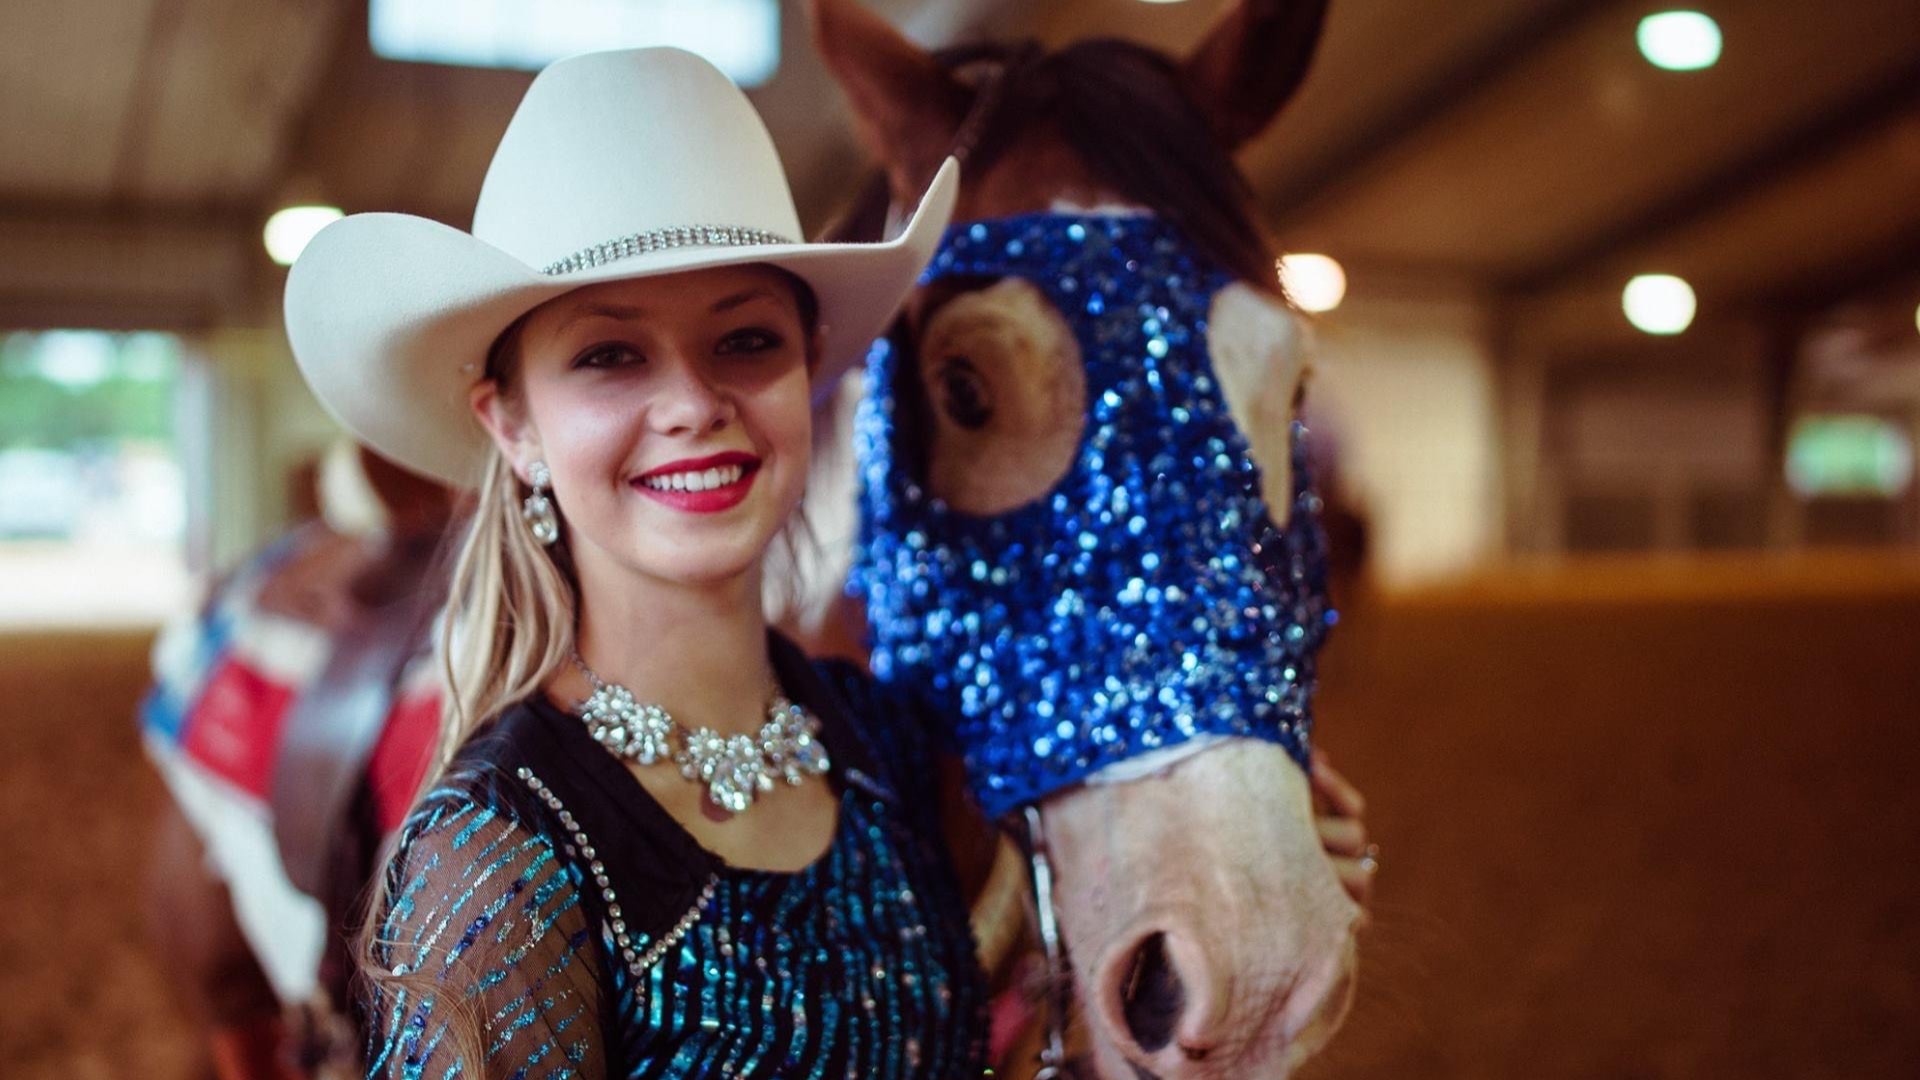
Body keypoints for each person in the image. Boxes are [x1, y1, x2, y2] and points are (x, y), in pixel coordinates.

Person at [282, 48, 983, 1077]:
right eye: (610, 355)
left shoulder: (884, 740)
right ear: (513, 424)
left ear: (807, 368)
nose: (695, 405)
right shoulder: (496, 868)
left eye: (745, 339)